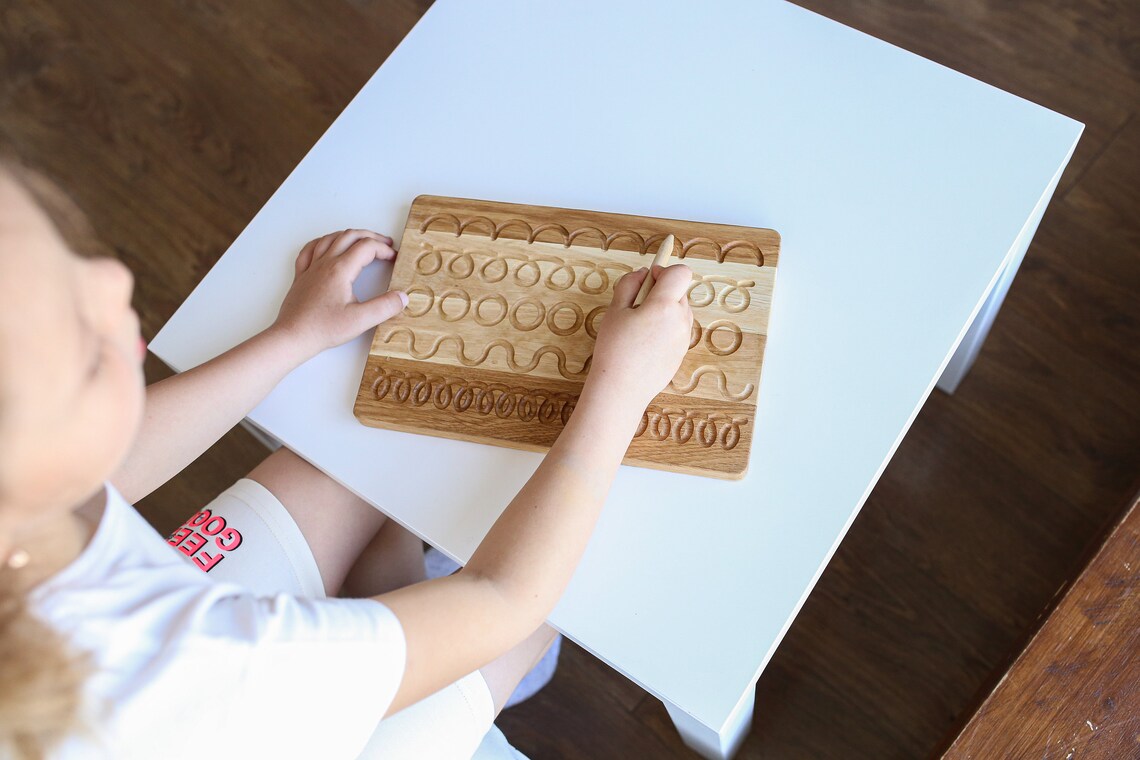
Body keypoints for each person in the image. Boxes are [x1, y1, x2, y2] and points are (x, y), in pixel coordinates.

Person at [0, 159, 693, 759]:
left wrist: (290, 338)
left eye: (69, 253)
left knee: (338, 462)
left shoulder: (25, 500)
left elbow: (94, 474)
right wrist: (620, 388)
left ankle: (415, 604)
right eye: (90, 356)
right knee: (556, 583)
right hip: (215, 709)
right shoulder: (210, 670)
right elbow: (502, 600)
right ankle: (495, 671)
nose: (114, 280)